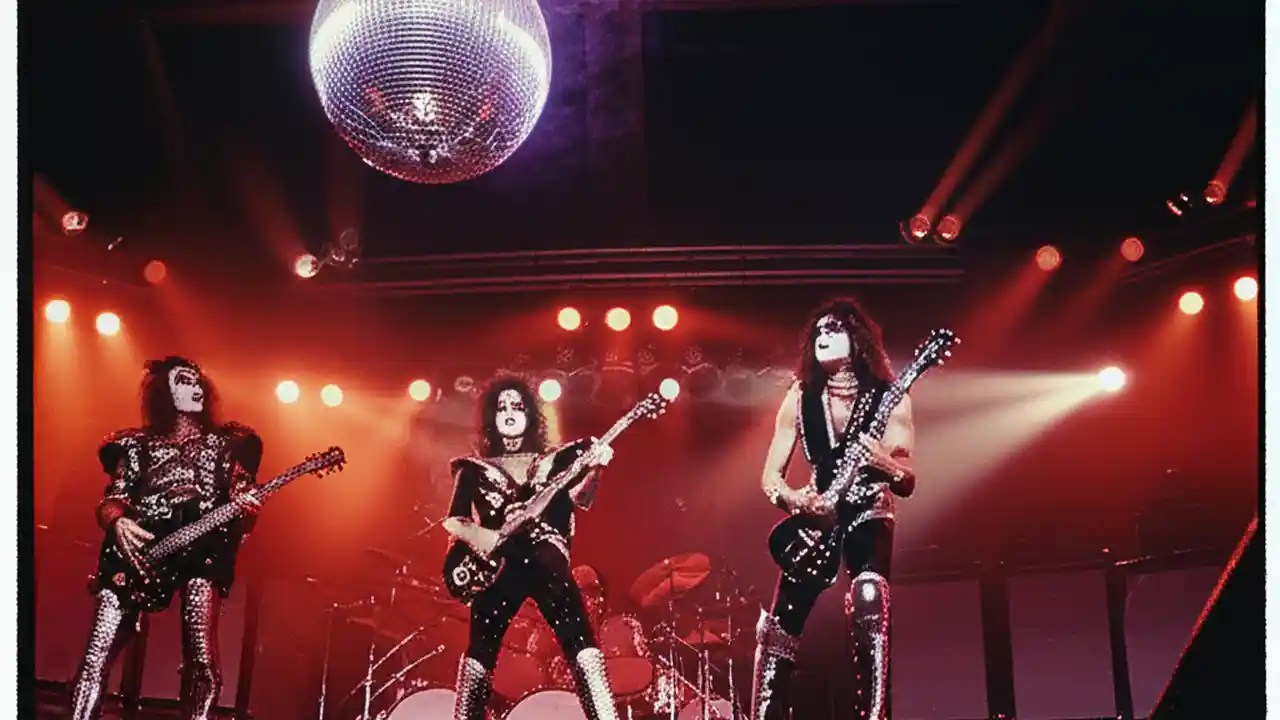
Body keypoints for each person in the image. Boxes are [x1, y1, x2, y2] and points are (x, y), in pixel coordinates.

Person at [70, 357, 263, 720]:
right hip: (139, 550)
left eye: (198, 381)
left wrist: (247, 507)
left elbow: (243, 509)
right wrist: (117, 522)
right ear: (164, 392)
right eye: (184, 381)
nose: (196, 387)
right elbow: (113, 498)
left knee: (202, 658)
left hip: (199, 550)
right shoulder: (135, 446)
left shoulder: (227, 446)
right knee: (96, 654)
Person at [751, 298, 916, 720]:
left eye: (834, 329)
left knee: (869, 597)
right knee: (778, 626)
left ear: (858, 339)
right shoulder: (799, 397)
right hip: (817, 514)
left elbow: (906, 478)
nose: (823, 336)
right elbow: (770, 477)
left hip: (868, 505)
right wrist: (794, 500)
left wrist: (885, 464)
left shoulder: (890, 397)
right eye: (818, 331)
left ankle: (875, 714)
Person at [442, 375, 620, 720]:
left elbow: (582, 500)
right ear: (491, 417)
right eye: (502, 407)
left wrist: (597, 467)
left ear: (530, 414)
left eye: (517, 406)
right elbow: (455, 521)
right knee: (480, 651)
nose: (509, 412)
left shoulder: (558, 462)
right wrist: (490, 540)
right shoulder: (473, 469)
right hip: (499, 567)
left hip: (547, 561)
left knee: (583, 644)